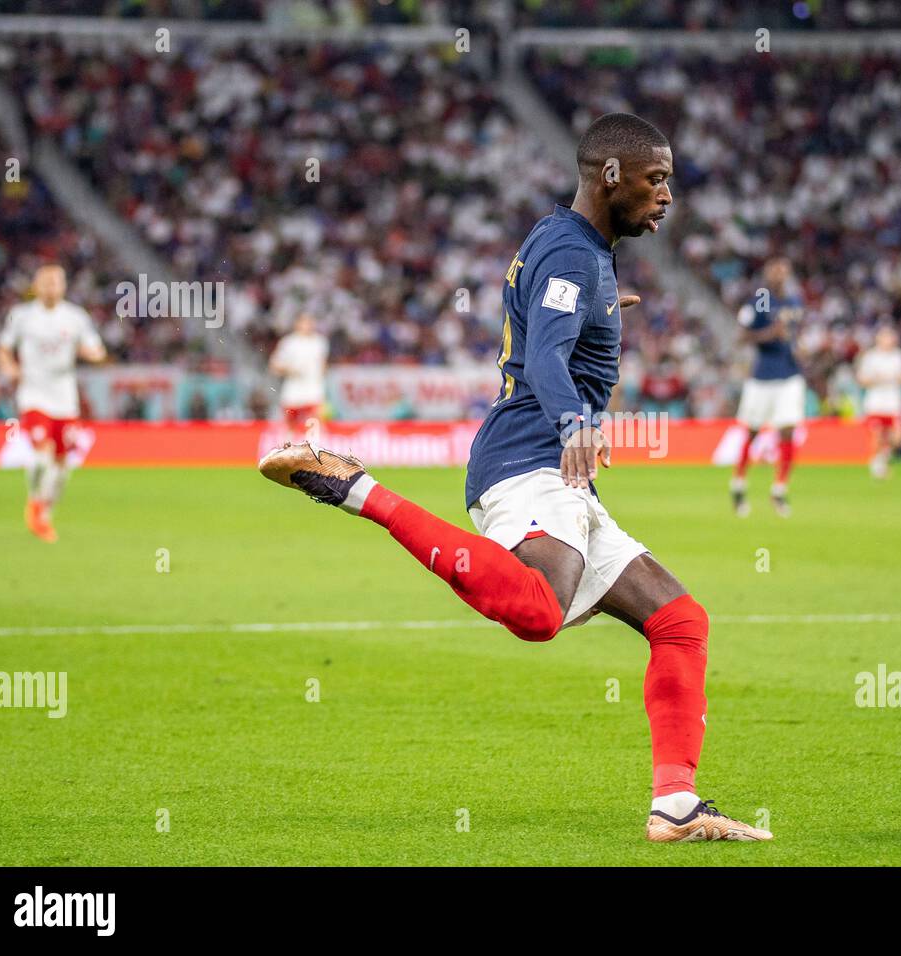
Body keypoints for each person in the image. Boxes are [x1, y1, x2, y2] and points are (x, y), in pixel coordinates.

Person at [257, 112, 771, 843]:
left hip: (553, 470)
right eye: (657, 180)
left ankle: (675, 806)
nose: (666, 197)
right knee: (538, 614)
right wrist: (575, 426)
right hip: (530, 458)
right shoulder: (571, 251)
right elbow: (545, 362)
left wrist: (598, 310)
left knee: (680, 623)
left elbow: (550, 321)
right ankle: (354, 487)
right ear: (612, 175)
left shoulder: (574, 246)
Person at [0, 265, 107, 541]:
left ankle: (44, 512)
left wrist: (91, 354)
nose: (51, 287)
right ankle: (34, 502)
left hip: (64, 395)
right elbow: (3, 349)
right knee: (42, 453)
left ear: (64, 286)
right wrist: (9, 367)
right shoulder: (21, 316)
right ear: (36, 285)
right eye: (46, 282)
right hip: (33, 391)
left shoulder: (75, 317)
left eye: (56, 282)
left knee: (61, 465)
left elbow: (97, 350)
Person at [730, 257, 805, 517]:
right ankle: (738, 484)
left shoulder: (795, 302)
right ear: (767, 275)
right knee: (751, 432)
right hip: (762, 375)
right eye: (775, 271)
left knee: (788, 430)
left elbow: (795, 334)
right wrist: (769, 334)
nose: (780, 275)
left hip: (790, 373)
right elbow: (741, 337)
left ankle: (779, 489)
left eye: (784, 270)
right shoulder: (757, 302)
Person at [856, 325, 901, 478]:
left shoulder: (900, 356)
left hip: (894, 403)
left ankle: (882, 458)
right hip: (875, 403)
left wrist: (897, 377)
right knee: (877, 436)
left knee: (899, 437)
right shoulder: (870, 357)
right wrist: (876, 379)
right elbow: (861, 379)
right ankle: (877, 463)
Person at [269, 312, 329, 438]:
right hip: (294, 389)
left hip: (313, 388)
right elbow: (274, 365)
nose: (308, 325)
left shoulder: (320, 342)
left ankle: (315, 448)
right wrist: (290, 370)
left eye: (310, 322)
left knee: (315, 419)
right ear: (297, 324)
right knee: (290, 421)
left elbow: (323, 364)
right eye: (304, 322)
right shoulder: (289, 343)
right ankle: (289, 447)